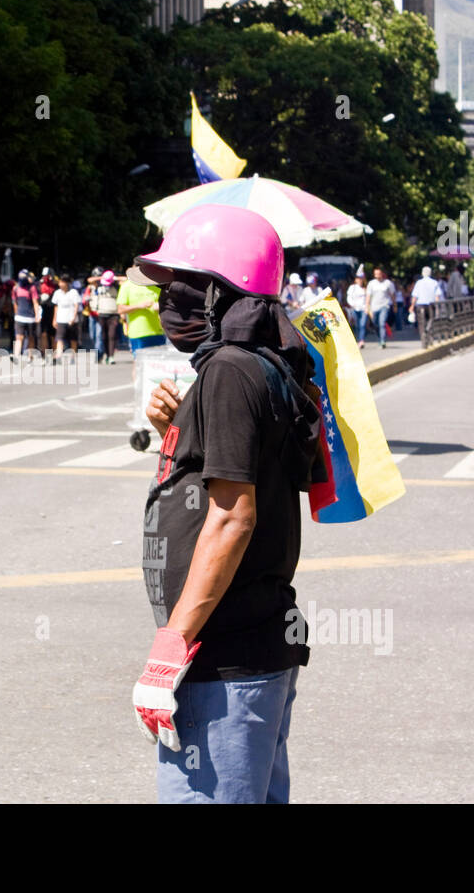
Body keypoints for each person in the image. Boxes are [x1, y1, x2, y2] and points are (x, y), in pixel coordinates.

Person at [125, 205, 326, 804]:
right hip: (246, 653)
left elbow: (235, 514)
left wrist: (172, 644)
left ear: (220, 294)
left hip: (224, 659)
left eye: (182, 288)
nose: (167, 303)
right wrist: (177, 424)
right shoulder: (254, 367)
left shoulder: (230, 371)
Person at [117, 270, 166, 373]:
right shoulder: (127, 285)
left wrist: (160, 306)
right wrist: (140, 306)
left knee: (158, 364)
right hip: (138, 333)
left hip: (157, 332)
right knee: (139, 364)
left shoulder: (157, 285)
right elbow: (120, 309)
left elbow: (168, 305)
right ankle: (138, 387)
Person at [51, 273, 82, 364]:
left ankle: (73, 356)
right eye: (60, 282)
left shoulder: (73, 292)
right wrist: (54, 319)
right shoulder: (57, 293)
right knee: (59, 338)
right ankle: (58, 356)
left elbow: (76, 306)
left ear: (67, 283)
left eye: (62, 282)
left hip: (72, 320)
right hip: (61, 319)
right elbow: (56, 307)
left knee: (73, 339)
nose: (60, 284)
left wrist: (73, 317)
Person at [10, 269, 40, 362]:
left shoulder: (32, 288)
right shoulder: (16, 288)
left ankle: (30, 356)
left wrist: (37, 315)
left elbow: (35, 303)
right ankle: (16, 355)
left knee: (30, 337)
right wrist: (16, 313)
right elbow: (14, 302)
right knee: (19, 337)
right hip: (20, 316)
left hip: (30, 317)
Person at [94, 269, 121, 365]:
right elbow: (89, 280)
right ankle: (107, 354)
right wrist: (103, 277)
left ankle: (111, 356)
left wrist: (114, 278)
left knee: (112, 335)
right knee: (104, 336)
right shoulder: (99, 285)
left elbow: (126, 279)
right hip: (102, 313)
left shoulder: (117, 286)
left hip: (113, 314)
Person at [365, 267, 396, 349]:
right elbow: (368, 296)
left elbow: (392, 295)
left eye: (378, 273)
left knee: (382, 323)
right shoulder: (371, 284)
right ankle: (380, 338)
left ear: (382, 274)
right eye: (376, 274)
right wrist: (367, 307)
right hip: (374, 307)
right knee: (375, 324)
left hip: (384, 306)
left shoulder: (387, 283)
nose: (377, 275)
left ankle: (383, 340)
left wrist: (394, 305)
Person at [346, 268, 368, 348]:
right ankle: (358, 339)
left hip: (363, 309)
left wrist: (367, 307)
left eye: (361, 279)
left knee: (362, 325)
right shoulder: (352, 288)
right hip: (355, 309)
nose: (360, 280)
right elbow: (349, 298)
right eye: (358, 278)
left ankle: (361, 340)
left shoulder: (365, 288)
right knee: (357, 325)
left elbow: (368, 299)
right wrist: (352, 304)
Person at [37, 268, 57, 354]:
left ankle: (55, 353)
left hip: (53, 313)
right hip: (43, 313)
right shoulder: (39, 285)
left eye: (48, 275)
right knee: (44, 334)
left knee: (53, 334)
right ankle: (44, 353)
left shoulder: (56, 285)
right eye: (45, 276)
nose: (46, 278)